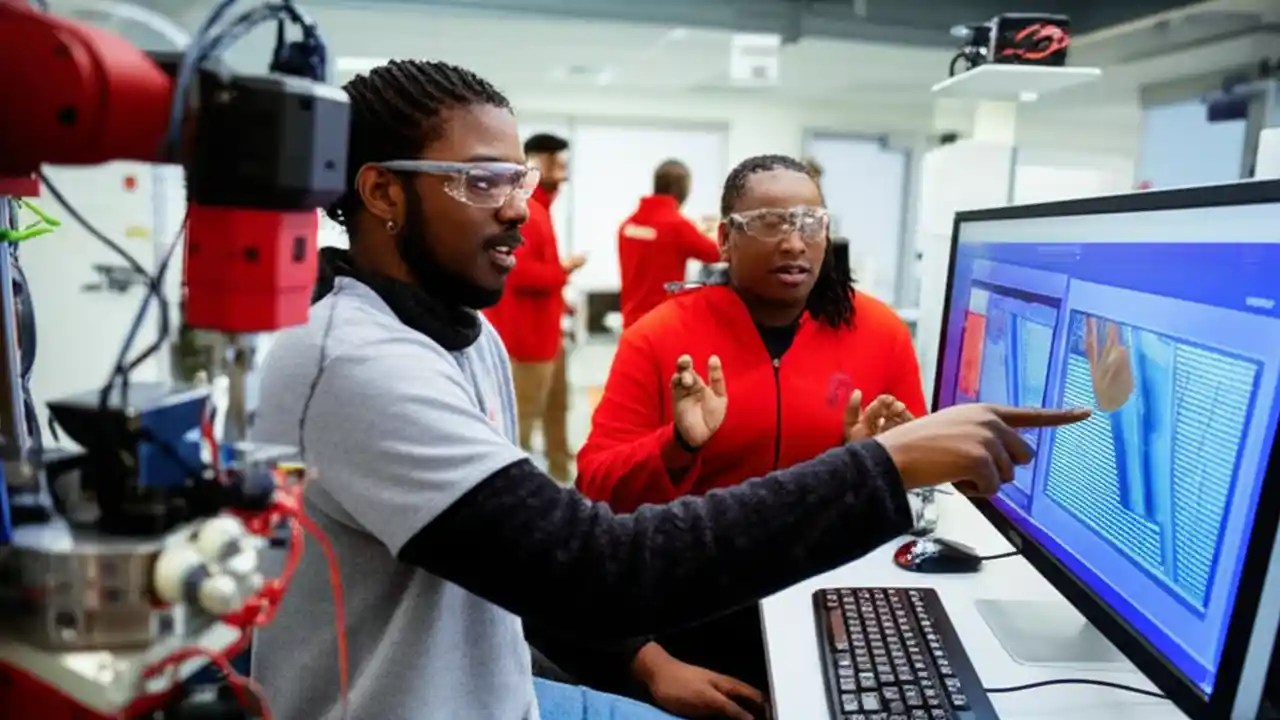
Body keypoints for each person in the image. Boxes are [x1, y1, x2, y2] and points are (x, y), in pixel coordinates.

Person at [250, 58, 1089, 720]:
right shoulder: (355, 364)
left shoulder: (459, 335)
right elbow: (591, 562)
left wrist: (632, 662)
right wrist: (880, 467)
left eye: (521, 183)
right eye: (483, 182)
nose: (517, 210)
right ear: (383, 192)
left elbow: (518, 558)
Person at [575, 154, 931, 696]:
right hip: (692, 612)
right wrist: (676, 445)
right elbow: (594, 489)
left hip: (832, 606)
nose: (793, 242)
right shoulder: (660, 336)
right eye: (769, 223)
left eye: (811, 223)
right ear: (724, 239)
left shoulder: (880, 332)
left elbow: (923, 492)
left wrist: (874, 464)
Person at [485, 132, 584, 483]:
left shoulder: (542, 207)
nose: (565, 171)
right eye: (559, 163)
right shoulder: (529, 211)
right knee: (522, 421)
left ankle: (563, 477)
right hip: (527, 341)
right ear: (539, 163)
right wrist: (564, 271)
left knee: (558, 408)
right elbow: (521, 273)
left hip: (547, 334)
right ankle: (515, 491)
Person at [618, 159, 720, 328]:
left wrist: (695, 232)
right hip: (663, 325)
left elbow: (657, 243)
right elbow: (717, 253)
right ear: (679, 189)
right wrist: (716, 232)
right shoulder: (677, 226)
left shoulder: (628, 225)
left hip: (631, 325)